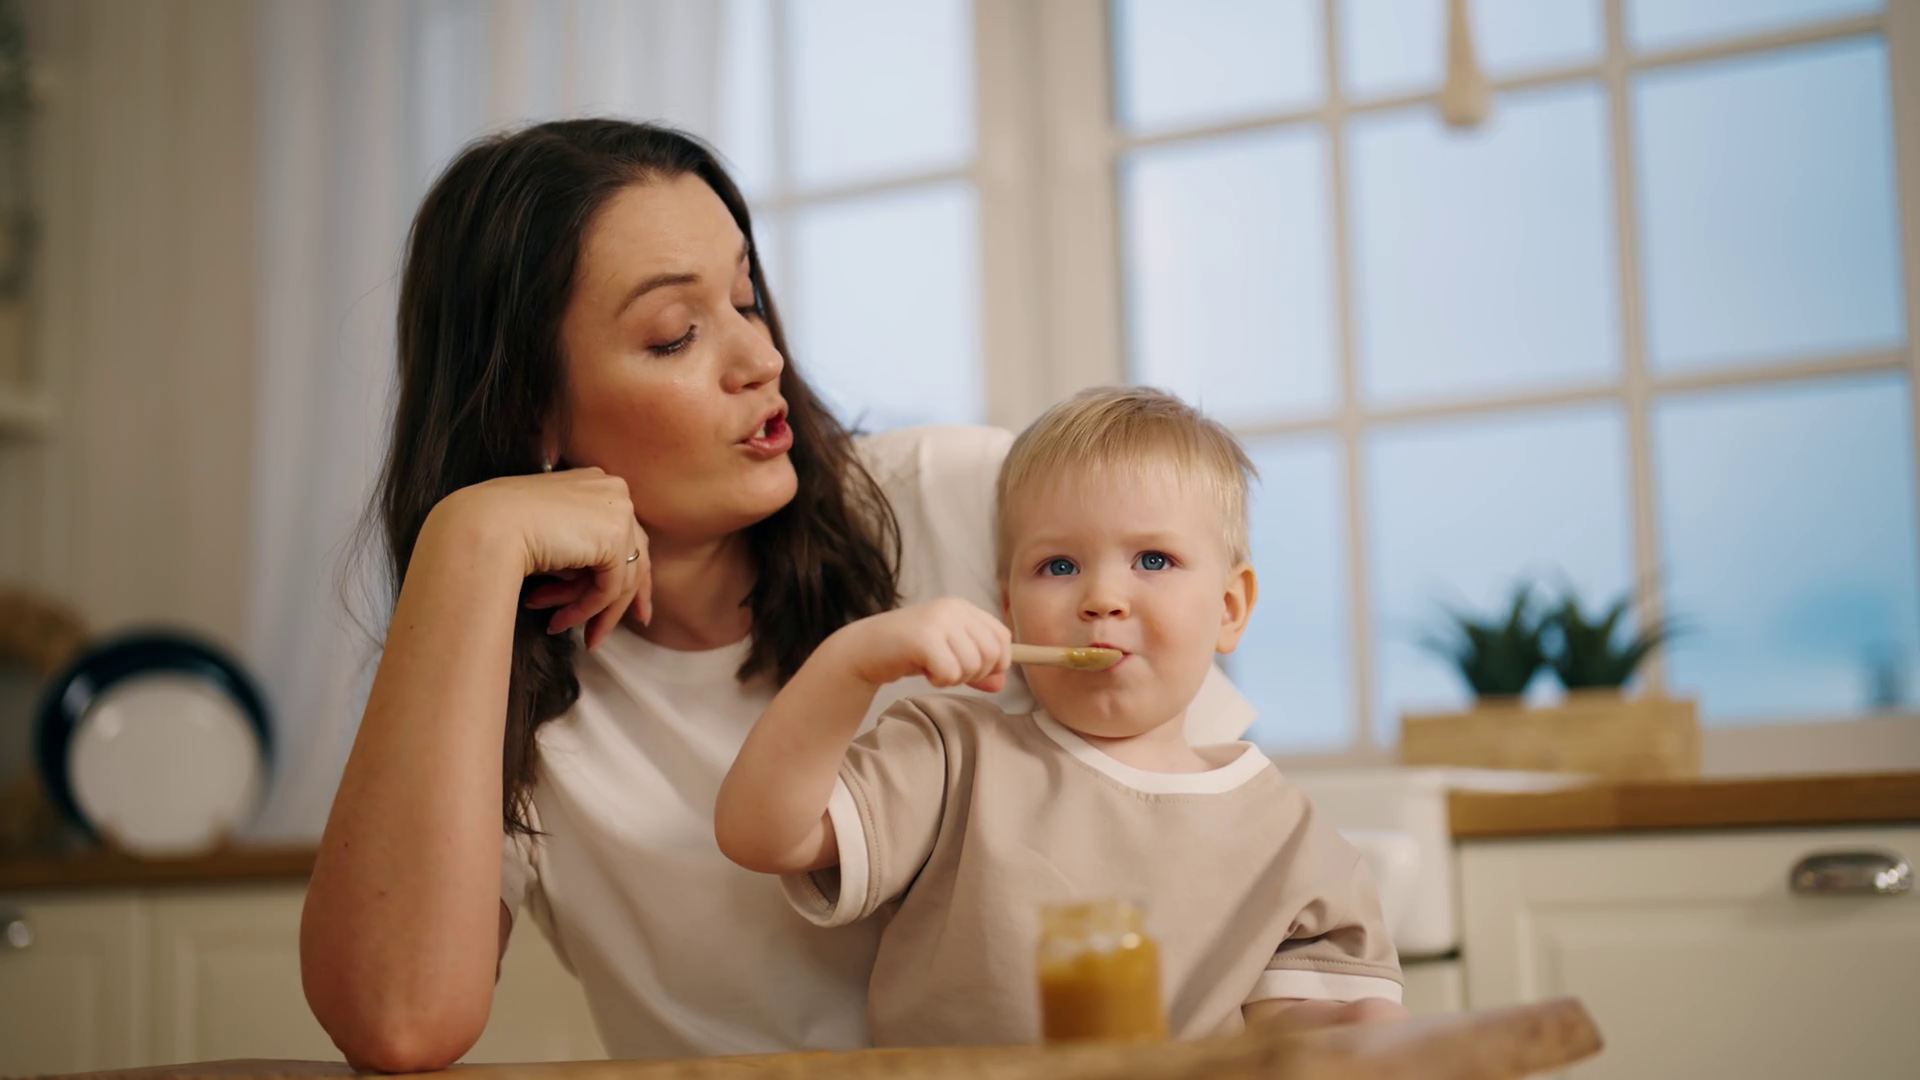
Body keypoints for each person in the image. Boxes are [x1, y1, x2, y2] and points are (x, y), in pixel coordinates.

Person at [297, 120, 1256, 1071]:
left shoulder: (970, 505)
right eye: (676, 336)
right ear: (529, 409)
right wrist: (470, 539)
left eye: (748, 301)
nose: (762, 361)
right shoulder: (495, 683)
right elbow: (399, 1022)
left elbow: (1207, 827)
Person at [715, 387, 1406, 1046]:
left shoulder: (1290, 839)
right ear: (1008, 608)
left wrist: (1350, 1032)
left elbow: (1290, 1038)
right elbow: (762, 835)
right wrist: (851, 662)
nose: (1103, 597)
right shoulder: (950, 760)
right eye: (1058, 565)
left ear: (1229, 608)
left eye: (1153, 559)